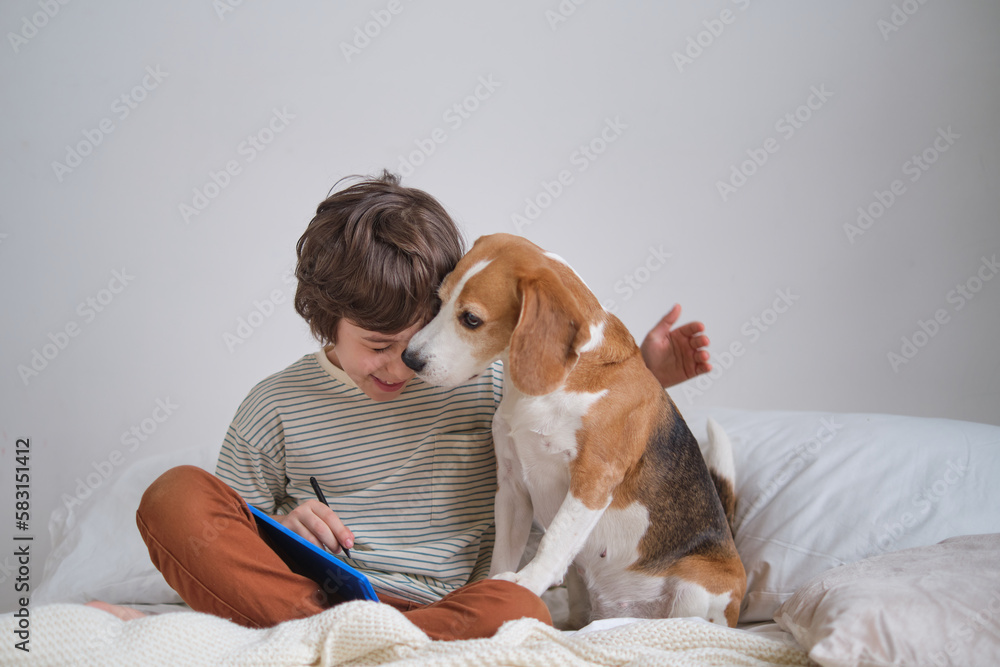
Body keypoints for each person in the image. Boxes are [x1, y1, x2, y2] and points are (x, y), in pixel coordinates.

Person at [88, 171, 712, 640]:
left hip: (451, 608)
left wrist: (646, 373)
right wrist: (287, 517)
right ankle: (372, 643)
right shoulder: (274, 406)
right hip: (315, 591)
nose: (404, 364)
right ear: (324, 322)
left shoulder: (491, 385)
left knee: (518, 605)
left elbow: (580, 425)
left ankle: (325, 644)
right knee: (176, 495)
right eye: (378, 346)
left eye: (422, 336)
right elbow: (234, 528)